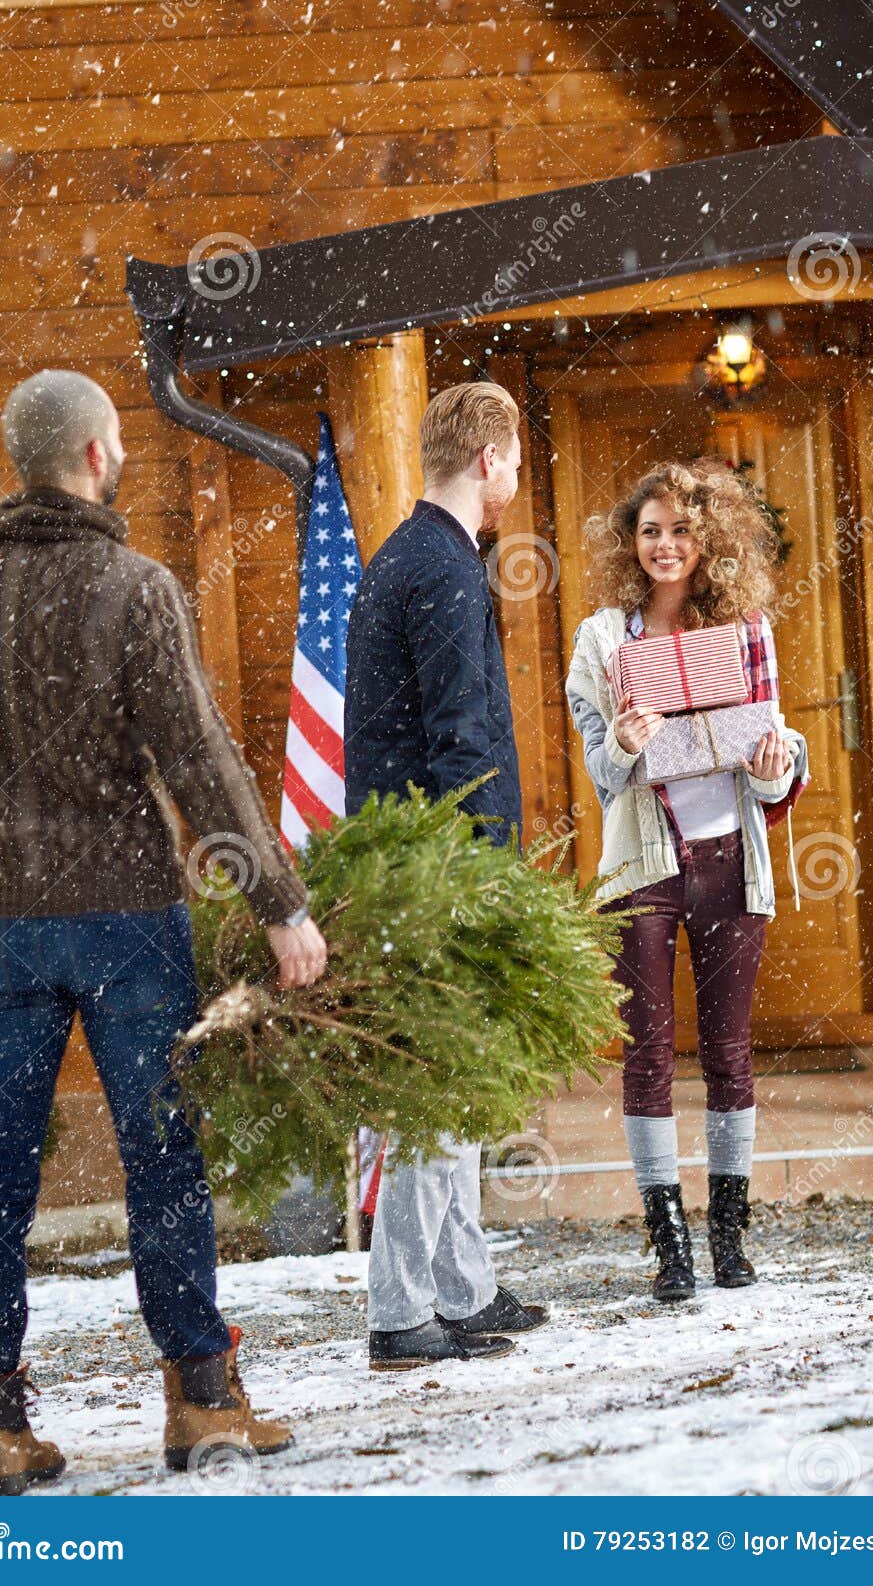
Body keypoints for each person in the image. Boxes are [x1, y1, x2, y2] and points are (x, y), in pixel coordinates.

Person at [0, 369, 327, 1494]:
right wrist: (278, 903)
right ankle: (204, 1402)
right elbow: (197, 760)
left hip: (0, 930)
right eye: (119, 441)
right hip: (126, 916)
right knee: (162, 1157)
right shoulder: (134, 587)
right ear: (93, 457)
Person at [565, 460, 808, 1303]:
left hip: (729, 862)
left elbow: (773, 762)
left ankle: (729, 1237)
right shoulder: (600, 640)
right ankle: (668, 1245)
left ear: (707, 541)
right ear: (631, 546)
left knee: (731, 1054)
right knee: (647, 1055)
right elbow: (602, 773)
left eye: (680, 530)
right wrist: (628, 744)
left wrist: (777, 768)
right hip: (643, 867)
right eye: (650, 530)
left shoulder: (744, 632)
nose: (665, 545)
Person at [344, 380, 549, 1370]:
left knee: (452, 1086)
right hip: (434, 871)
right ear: (486, 460)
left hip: (401, 860)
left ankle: (460, 1288)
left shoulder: (405, 555)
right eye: (514, 460)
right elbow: (457, 732)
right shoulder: (445, 569)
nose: (515, 476)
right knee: (430, 1088)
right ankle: (398, 1308)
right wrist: (484, 872)